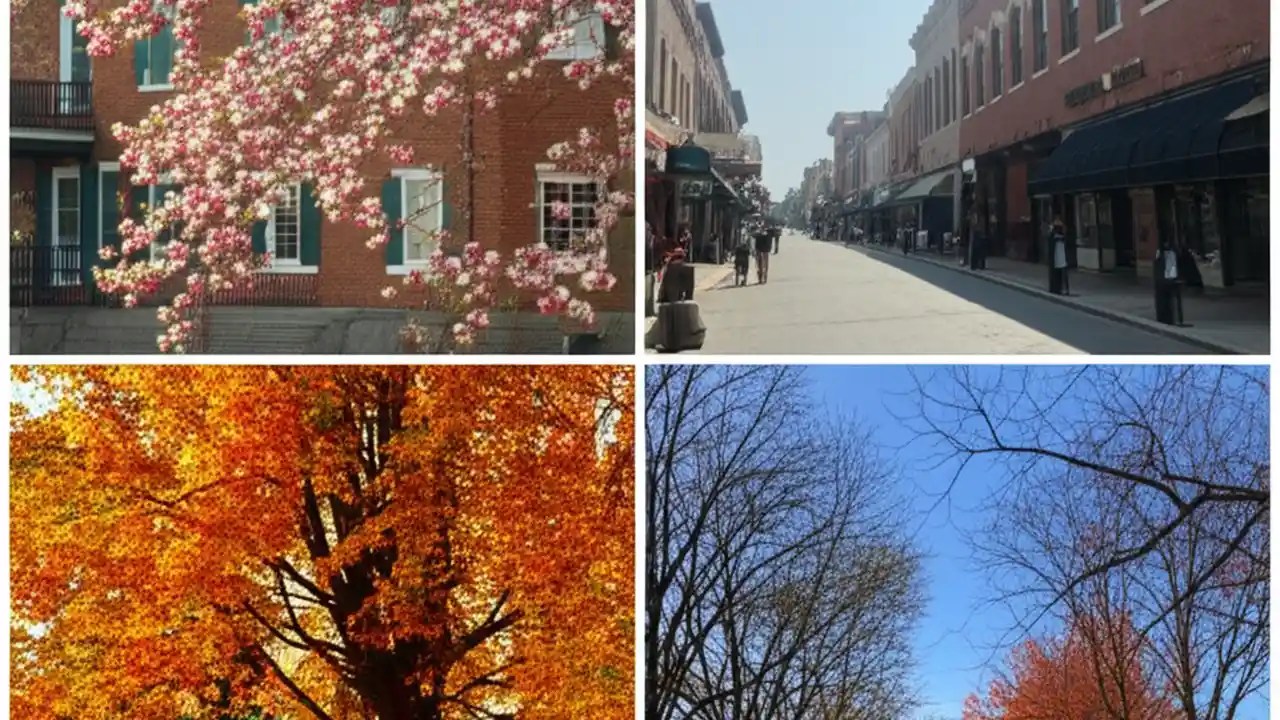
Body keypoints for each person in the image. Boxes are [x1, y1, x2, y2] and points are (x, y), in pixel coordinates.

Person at [1050, 217, 1070, 295]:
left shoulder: (1062, 236)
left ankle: (1064, 289)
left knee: (1063, 273)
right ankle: (1057, 288)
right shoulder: (1053, 236)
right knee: (1059, 273)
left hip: (1062, 257)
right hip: (1057, 256)